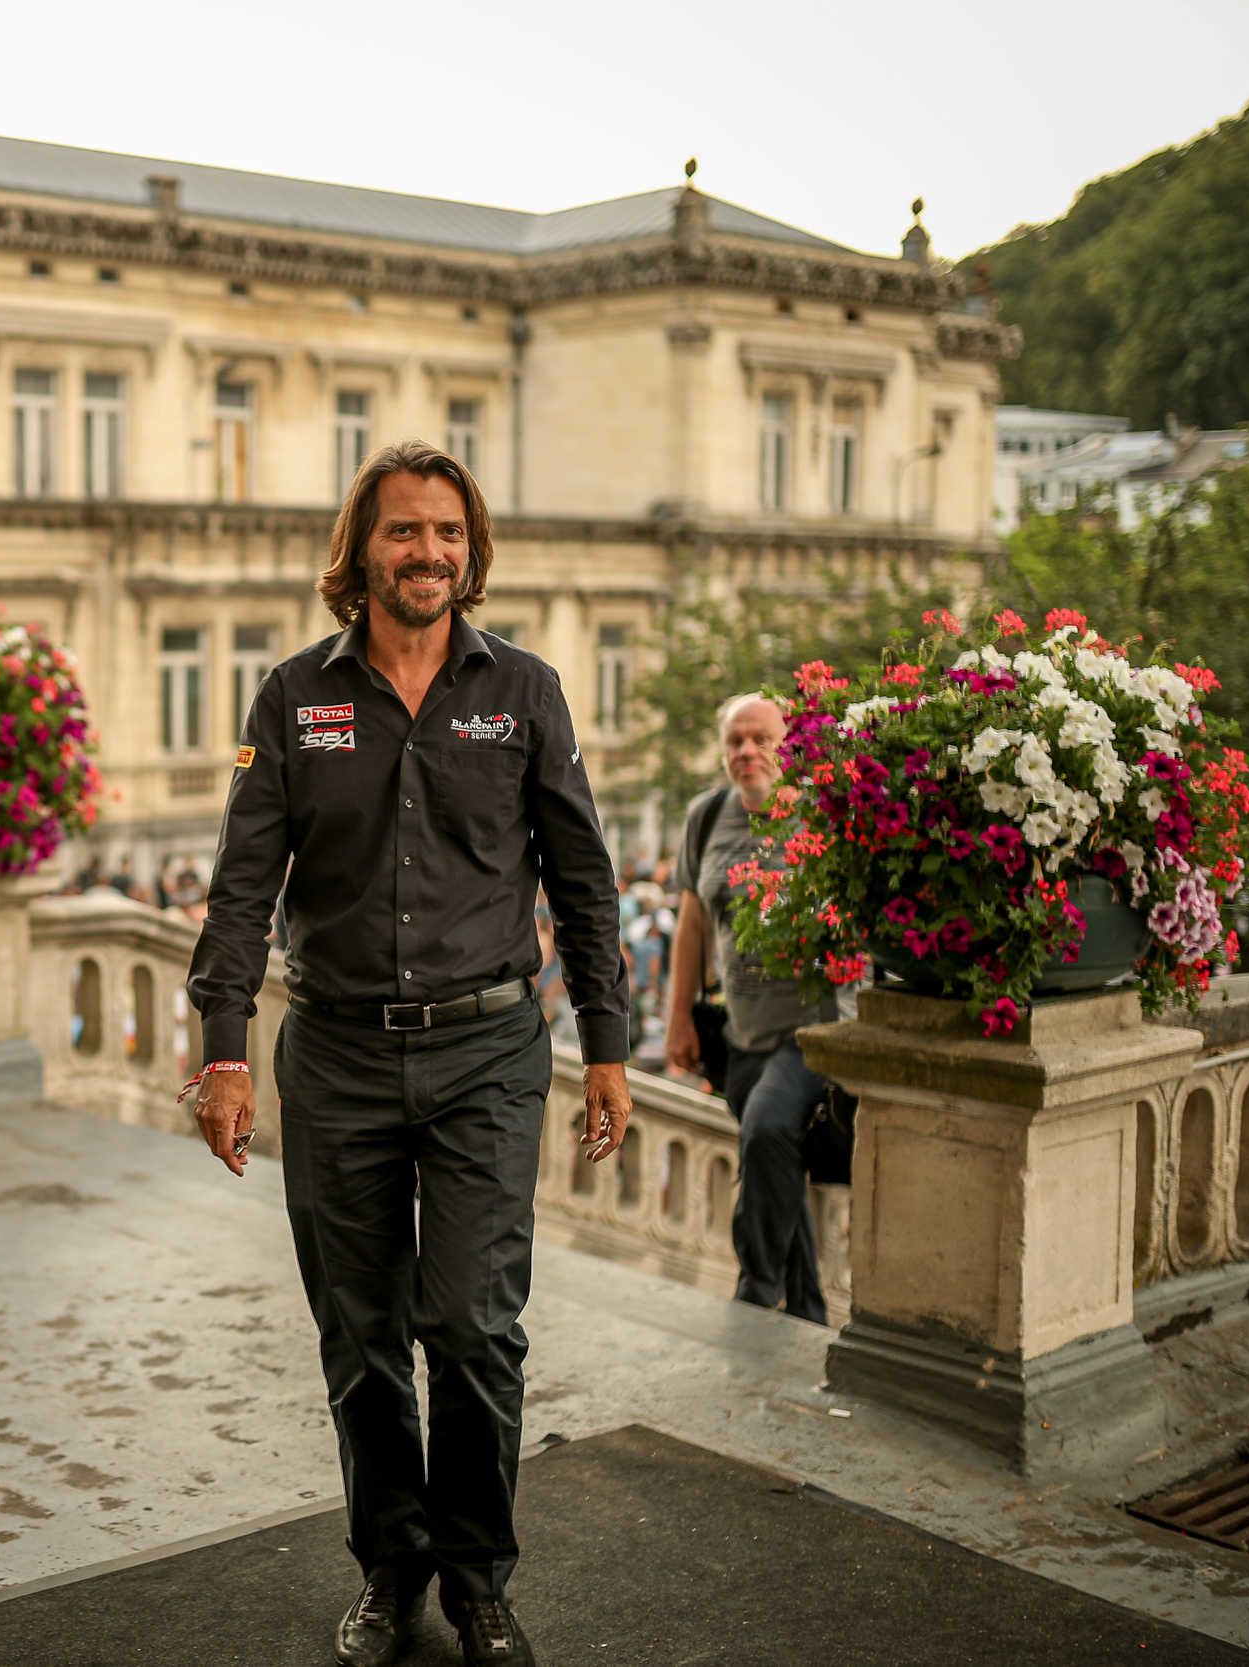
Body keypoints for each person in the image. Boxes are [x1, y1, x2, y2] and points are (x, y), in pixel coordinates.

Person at [185, 439, 631, 1667]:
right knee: (361, 1331)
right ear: (360, 551)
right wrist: (223, 1049)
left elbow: (584, 879)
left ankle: (479, 1572)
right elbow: (239, 889)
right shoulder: (292, 696)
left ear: (470, 551)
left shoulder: (525, 691)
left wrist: (607, 1044)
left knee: (476, 1324)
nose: (427, 551)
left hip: (490, 1048)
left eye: (447, 532)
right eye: (403, 531)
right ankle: (391, 1567)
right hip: (330, 1056)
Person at [663, 692, 838, 1324]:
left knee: (767, 1130)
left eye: (762, 738)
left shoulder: (822, 816)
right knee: (775, 1164)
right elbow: (690, 924)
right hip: (742, 1033)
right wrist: (678, 1016)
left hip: (814, 1030)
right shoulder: (707, 817)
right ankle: (809, 1313)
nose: (747, 752)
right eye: (736, 740)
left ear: (790, 744)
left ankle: (756, 1292)